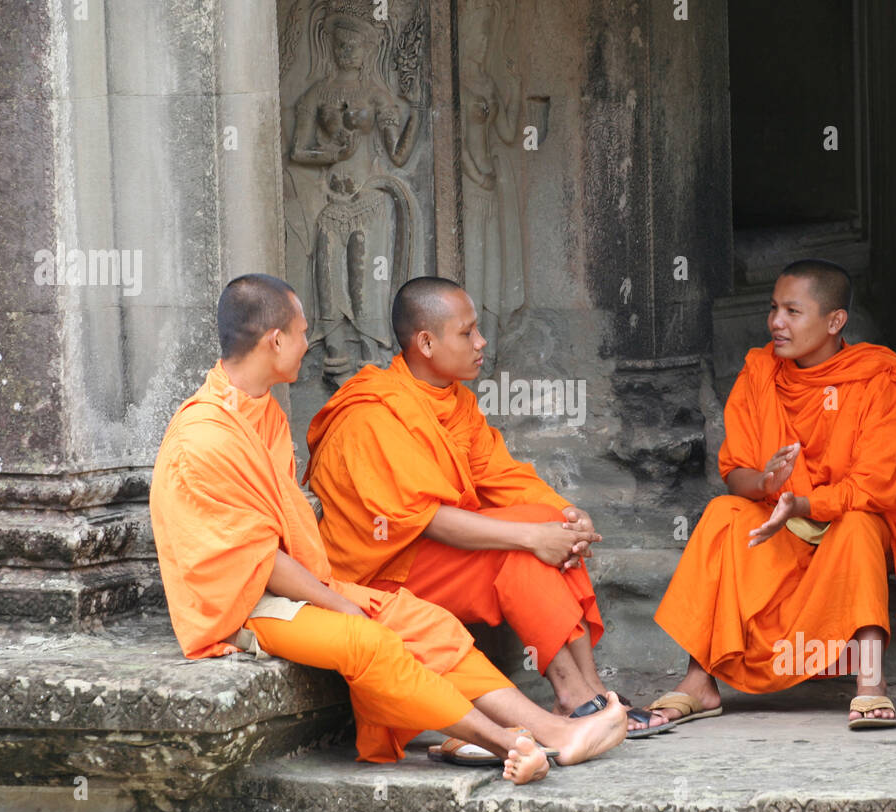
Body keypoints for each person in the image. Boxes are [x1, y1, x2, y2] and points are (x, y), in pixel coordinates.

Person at [149, 274, 627, 785]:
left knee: (424, 623)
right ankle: (522, 739)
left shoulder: (258, 410)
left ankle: (549, 726)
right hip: (237, 605)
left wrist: (559, 518)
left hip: (292, 581)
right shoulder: (207, 437)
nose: (310, 345)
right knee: (371, 640)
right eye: (304, 331)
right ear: (276, 341)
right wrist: (340, 602)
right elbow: (258, 561)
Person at [304, 276, 672, 736]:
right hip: (382, 568)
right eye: (467, 333)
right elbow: (427, 520)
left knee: (548, 523)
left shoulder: (453, 401)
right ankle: (573, 698)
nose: (481, 343)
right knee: (519, 551)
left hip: (432, 554)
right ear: (425, 342)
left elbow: (502, 476)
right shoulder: (372, 414)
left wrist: (567, 516)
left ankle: (592, 689)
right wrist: (533, 536)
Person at [648, 260, 896, 729]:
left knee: (857, 526)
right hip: (780, 522)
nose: (776, 322)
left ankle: (871, 682)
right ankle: (699, 679)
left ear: (835, 321)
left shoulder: (878, 380)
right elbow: (735, 472)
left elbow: (874, 488)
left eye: (793, 311)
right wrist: (768, 485)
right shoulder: (760, 373)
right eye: (773, 308)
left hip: (843, 521)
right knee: (723, 513)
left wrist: (803, 504)